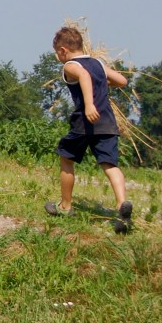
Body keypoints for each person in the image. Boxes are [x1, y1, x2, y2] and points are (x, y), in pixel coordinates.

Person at [45, 26, 132, 232]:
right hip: (107, 122)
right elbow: (122, 81)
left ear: (64, 50)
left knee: (66, 158)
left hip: (85, 122)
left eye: (57, 53)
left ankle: (65, 206)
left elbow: (83, 75)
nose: (58, 57)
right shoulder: (98, 63)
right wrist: (101, 82)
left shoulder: (71, 66)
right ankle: (122, 205)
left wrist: (90, 105)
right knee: (110, 165)